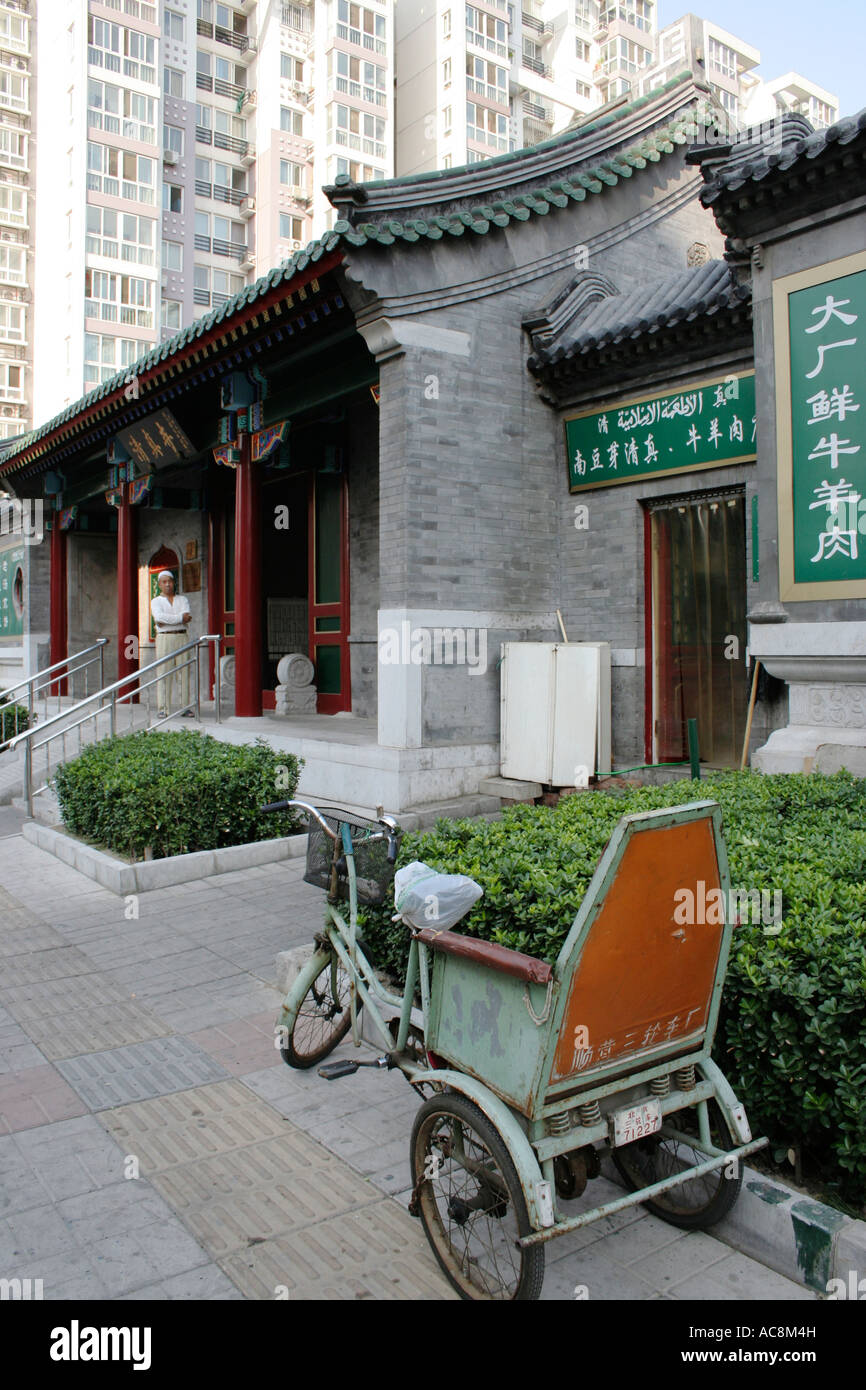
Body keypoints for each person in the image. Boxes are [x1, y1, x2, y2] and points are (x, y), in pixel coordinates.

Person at [150, 570, 193, 717]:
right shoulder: (156, 601)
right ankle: (163, 708)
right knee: (163, 672)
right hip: (164, 638)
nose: (167, 584)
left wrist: (167, 620)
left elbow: (186, 616)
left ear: (174, 583)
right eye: (164, 582)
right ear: (159, 584)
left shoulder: (182, 599)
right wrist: (179, 619)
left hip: (182, 637)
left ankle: (185, 708)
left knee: (184, 672)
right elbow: (159, 618)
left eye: (170, 581)